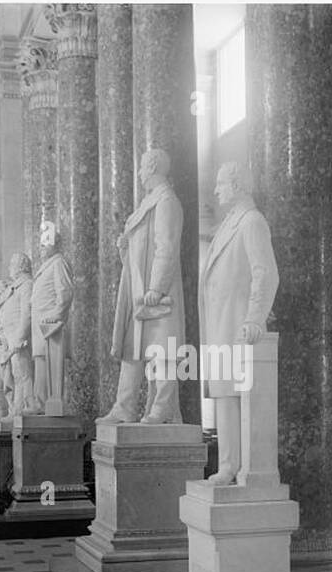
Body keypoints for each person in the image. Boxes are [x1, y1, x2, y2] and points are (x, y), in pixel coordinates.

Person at [199, 162, 278, 484]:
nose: (216, 190)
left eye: (221, 184)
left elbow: (265, 272)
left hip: (237, 327)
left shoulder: (252, 222)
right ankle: (228, 465)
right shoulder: (229, 224)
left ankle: (235, 466)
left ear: (239, 186)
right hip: (221, 325)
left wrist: (254, 318)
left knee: (234, 395)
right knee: (223, 394)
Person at [99, 147, 186, 425]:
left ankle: (162, 408)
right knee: (132, 348)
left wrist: (157, 288)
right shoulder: (148, 204)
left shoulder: (166, 202)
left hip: (155, 294)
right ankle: (123, 407)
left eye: (140, 168)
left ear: (150, 168)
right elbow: (138, 254)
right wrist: (125, 248)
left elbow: (166, 247)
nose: (138, 174)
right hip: (138, 290)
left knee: (162, 349)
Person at [30, 228, 73, 416]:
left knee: (49, 363)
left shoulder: (58, 263)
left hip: (50, 324)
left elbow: (65, 292)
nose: (40, 248)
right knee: (40, 360)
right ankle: (39, 402)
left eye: (44, 244)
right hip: (40, 324)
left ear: (54, 245)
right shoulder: (48, 265)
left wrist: (56, 314)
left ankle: (45, 402)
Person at [0, 252, 37, 422]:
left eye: (12, 264)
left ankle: (29, 406)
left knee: (23, 374)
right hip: (11, 338)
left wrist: (20, 338)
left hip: (18, 338)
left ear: (20, 266)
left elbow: (26, 314)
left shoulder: (26, 284)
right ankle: (17, 410)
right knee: (16, 375)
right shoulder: (16, 286)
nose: (10, 268)